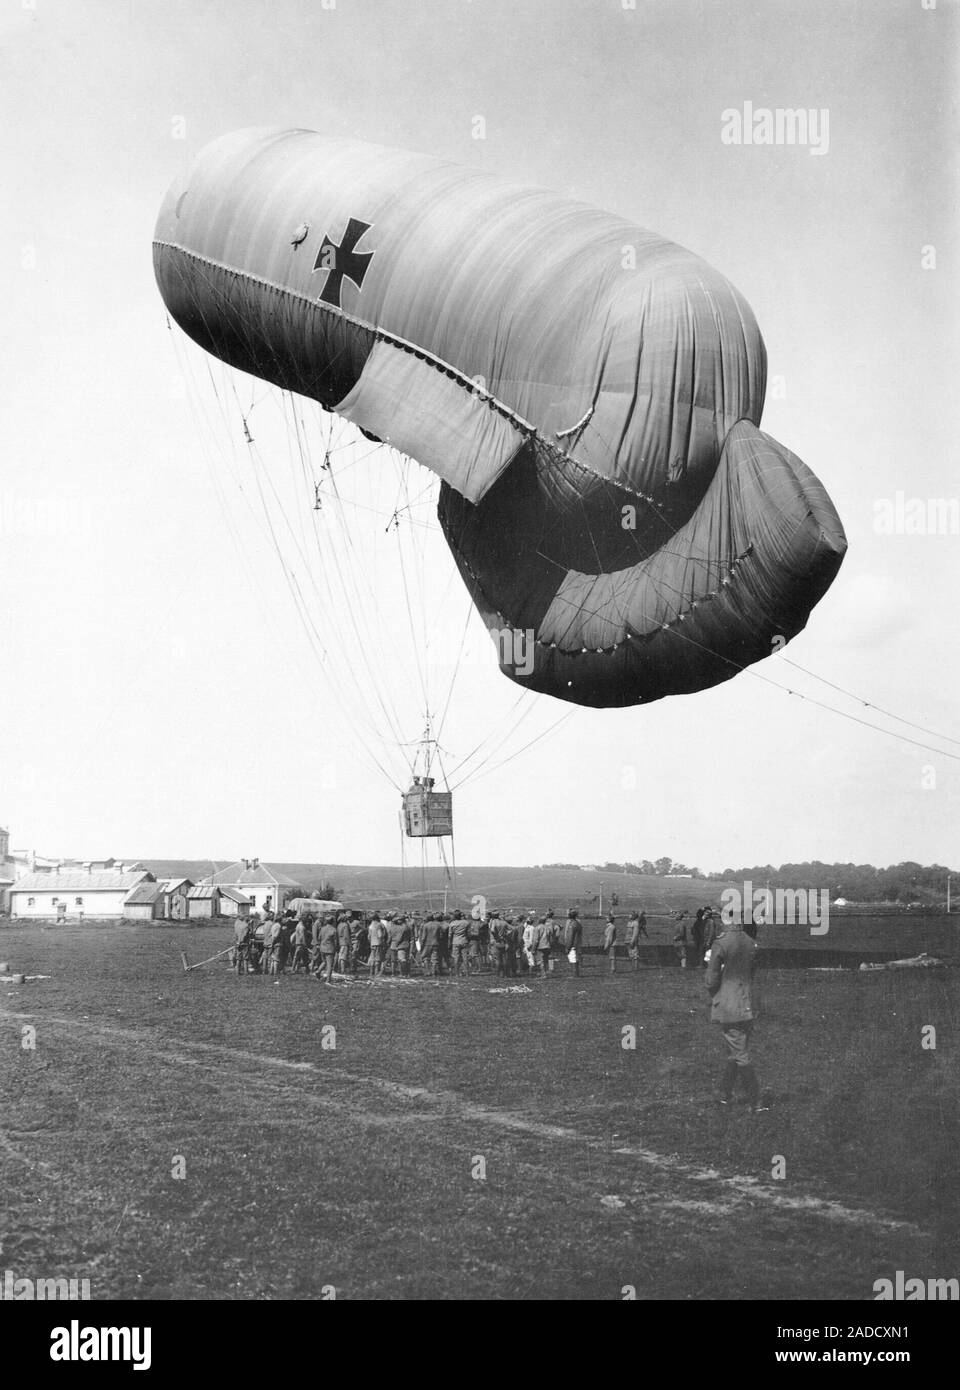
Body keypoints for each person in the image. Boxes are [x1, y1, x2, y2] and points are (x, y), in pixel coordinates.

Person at [705, 914, 767, 1110]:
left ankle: (755, 1100)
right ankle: (723, 1092)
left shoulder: (721, 943)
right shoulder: (751, 943)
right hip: (748, 1002)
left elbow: (711, 979)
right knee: (738, 1048)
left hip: (729, 1005)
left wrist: (715, 993)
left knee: (739, 1053)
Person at [317, 914, 339, 984]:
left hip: (322, 948)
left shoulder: (322, 929)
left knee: (324, 962)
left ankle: (318, 971)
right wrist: (336, 949)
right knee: (329, 965)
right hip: (330, 949)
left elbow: (319, 938)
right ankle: (328, 980)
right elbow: (335, 941)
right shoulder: (334, 930)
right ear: (332, 921)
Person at [449, 912, 471, 977]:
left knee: (456, 958)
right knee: (465, 957)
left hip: (455, 941)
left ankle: (457, 973)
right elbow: (468, 933)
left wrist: (449, 943)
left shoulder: (452, 924)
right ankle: (467, 973)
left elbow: (450, 935)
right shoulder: (466, 922)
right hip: (464, 941)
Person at [563, 908, 583, 977]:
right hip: (577, 943)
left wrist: (567, 947)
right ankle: (576, 974)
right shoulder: (578, 923)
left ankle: (575, 974)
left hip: (573, 944)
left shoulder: (572, 924)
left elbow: (570, 937)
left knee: (572, 959)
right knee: (575, 959)